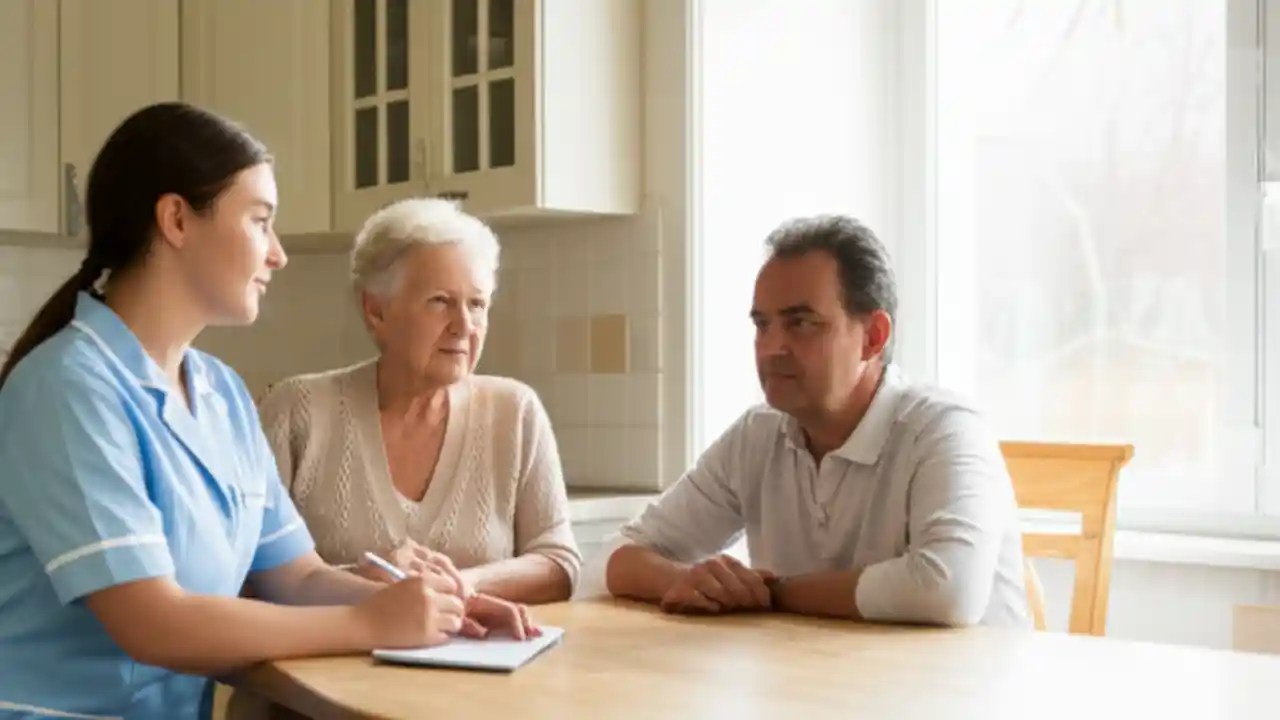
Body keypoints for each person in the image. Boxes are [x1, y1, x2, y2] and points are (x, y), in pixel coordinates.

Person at [0, 103, 532, 720]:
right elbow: (153, 623)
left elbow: (297, 578)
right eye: (260, 221)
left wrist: (440, 608)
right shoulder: (67, 388)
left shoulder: (221, 393)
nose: (277, 254)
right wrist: (367, 621)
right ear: (176, 219)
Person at [603, 215, 1029, 627]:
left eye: (801, 323)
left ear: (873, 337)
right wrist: (688, 580)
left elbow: (948, 591)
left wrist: (771, 593)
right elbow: (618, 557)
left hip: (962, 695)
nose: (770, 348)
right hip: (825, 690)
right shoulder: (756, 436)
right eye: (762, 325)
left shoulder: (947, 429)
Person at [257, 197, 581, 605]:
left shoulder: (515, 412)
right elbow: (245, 577)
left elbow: (558, 563)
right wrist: (361, 581)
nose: (464, 326)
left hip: (479, 662)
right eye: (441, 302)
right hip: (331, 665)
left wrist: (461, 584)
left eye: (477, 304)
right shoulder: (297, 410)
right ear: (376, 311)